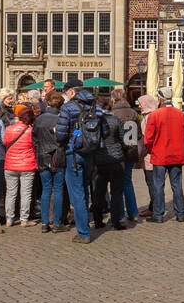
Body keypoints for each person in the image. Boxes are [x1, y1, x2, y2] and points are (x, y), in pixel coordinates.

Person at [55, 79, 101, 243]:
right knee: (85, 190)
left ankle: (83, 233)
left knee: (77, 194)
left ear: (72, 92)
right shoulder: (96, 106)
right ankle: (85, 224)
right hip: (91, 152)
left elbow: (60, 135)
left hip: (72, 153)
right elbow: (105, 129)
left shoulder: (67, 108)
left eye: (66, 91)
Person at [144, 86, 184, 223]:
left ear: (160, 98)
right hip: (177, 155)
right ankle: (180, 214)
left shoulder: (155, 115)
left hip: (160, 155)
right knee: (177, 185)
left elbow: (148, 139)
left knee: (158, 185)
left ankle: (158, 215)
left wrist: (151, 150)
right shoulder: (180, 114)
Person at [90, 95, 128, 229]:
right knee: (116, 192)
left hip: (98, 161)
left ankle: (98, 221)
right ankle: (115, 221)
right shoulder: (115, 120)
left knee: (98, 192)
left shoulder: (93, 121)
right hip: (116, 160)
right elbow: (124, 140)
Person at [32, 91, 65, 232]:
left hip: (42, 156)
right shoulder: (62, 118)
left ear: (48, 102)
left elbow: (34, 139)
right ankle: (56, 222)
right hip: (58, 156)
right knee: (58, 189)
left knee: (46, 189)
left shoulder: (39, 119)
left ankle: (45, 223)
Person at [109, 88, 141, 228]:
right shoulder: (134, 113)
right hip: (131, 151)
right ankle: (133, 212)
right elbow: (139, 134)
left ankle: (120, 214)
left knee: (117, 185)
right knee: (127, 181)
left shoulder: (113, 114)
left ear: (113, 99)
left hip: (118, 153)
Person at [3, 104, 37, 226]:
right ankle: (24, 219)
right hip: (27, 165)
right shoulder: (31, 131)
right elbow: (34, 146)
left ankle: (9, 219)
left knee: (10, 193)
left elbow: (5, 142)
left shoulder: (9, 129)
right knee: (26, 193)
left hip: (10, 164)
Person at [136, 93, 158, 218]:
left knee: (152, 183)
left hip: (150, 155)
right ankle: (153, 206)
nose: (139, 106)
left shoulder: (149, 118)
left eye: (141, 103)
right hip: (150, 155)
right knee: (153, 183)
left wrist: (141, 152)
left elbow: (147, 138)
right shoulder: (149, 116)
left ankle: (155, 208)